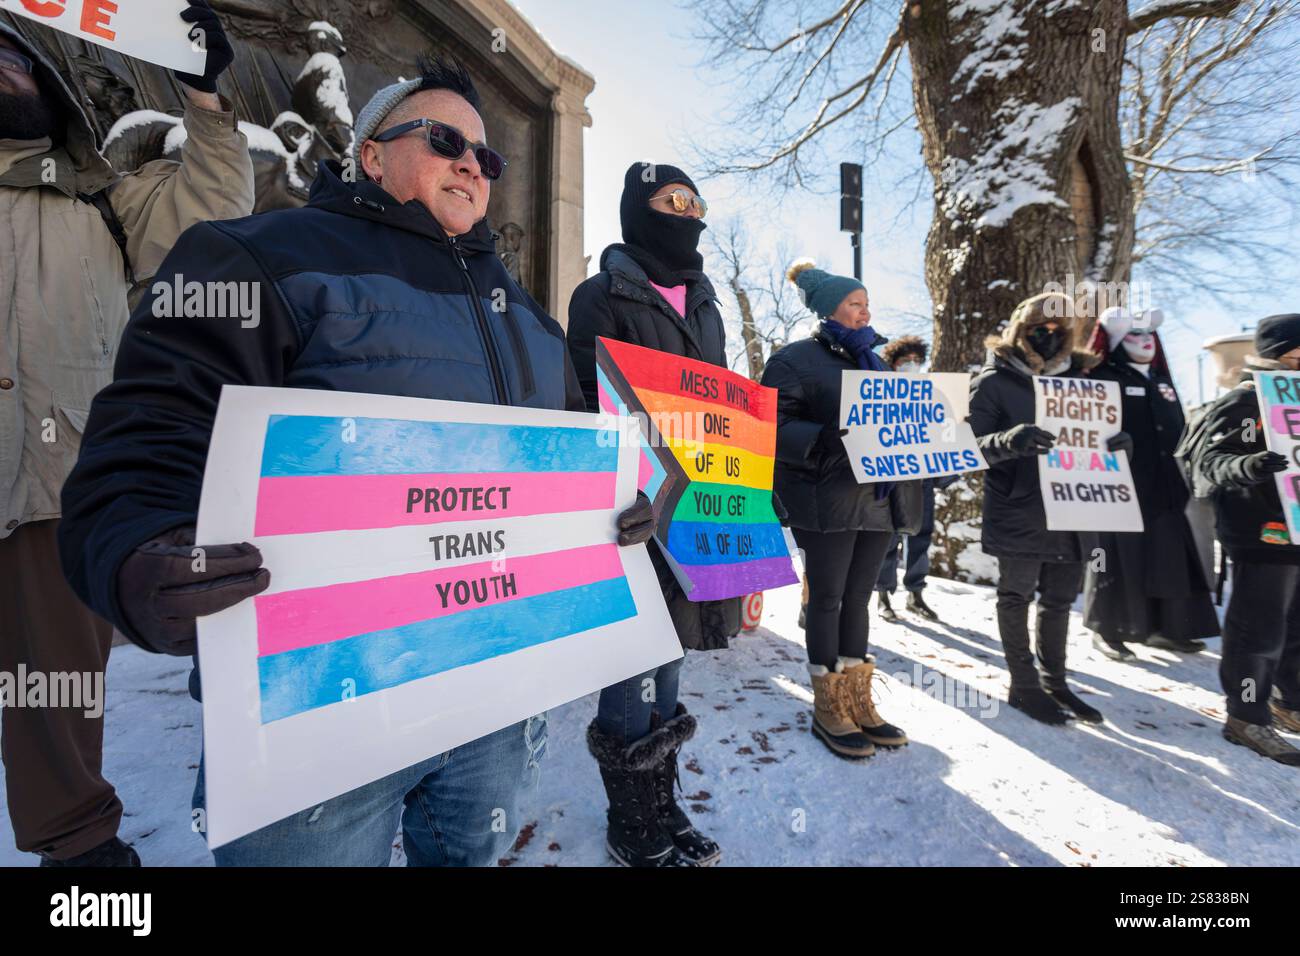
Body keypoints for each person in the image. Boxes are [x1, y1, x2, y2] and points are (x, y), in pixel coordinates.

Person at [58, 56, 657, 865]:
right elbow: (145, 442)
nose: (472, 164)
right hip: (316, 722)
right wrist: (137, 558)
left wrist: (615, 510)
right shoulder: (253, 260)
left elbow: (571, 462)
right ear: (371, 154)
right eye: (446, 139)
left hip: (497, 701)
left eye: (488, 155)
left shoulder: (532, 322)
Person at [0, 2, 254, 867]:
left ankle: (79, 855)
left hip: (52, 478)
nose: (3, 67)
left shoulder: (107, 202)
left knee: (51, 689)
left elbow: (215, 203)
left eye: (16, 55)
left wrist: (205, 99)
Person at [567, 162, 739, 867]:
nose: (688, 211)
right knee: (631, 669)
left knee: (669, 665)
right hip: (632, 516)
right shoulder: (600, 295)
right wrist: (616, 491)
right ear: (640, 210)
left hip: (693, 514)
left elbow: (722, 405)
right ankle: (630, 823)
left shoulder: (707, 304)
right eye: (673, 200)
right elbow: (580, 400)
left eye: (694, 201)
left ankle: (663, 806)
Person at [760, 261, 922, 759]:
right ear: (830, 307)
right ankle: (828, 705)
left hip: (879, 502)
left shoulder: (877, 365)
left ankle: (858, 700)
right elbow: (768, 424)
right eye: (855, 303)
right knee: (826, 599)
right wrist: (821, 439)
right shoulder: (795, 361)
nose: (864, 311)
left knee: (859, 599)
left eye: (866, 303)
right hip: (827, 498)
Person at [968, 292, 1132, 727]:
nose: (1048, 336)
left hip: (1076, 506)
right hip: (1020, 508)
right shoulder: (994, 381)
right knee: (1016, 596)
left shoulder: (1084, 382)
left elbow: (1100, 437)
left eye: (1058, 331)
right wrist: (1010, 440)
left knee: (1060, 601)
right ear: (1021, 331)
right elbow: (968, 448)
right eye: (1038, 329)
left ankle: (1055, 681)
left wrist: (1120, 445)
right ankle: (1023, 685)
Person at [1082, 307, 1220, 660]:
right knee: (1117, 555)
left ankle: (1169, 627)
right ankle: (1108, 628)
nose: (1144, 342)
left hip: (1168, 488)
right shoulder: (1106, 377)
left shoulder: (1161, 381)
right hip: (1120, 484)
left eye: (1148, 336)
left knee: (1168, 555)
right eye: (1133, 336)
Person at [1195, 314, 1300, 765]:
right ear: (1275, 354)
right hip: (1261, 532)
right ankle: (1246, 714)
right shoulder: (1245, 402)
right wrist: (1250, 465)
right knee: (1259, 630)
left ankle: (1289, 703)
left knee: (1296, 629)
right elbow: (1214, 460)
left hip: (1297, 532)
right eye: (1296, 355)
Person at [874, 335, 943, 624]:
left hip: (922, 479)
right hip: (891, 478)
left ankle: (916, 593)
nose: (912, 366)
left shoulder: (933, 394)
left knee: (921, 537)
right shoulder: (880, 393)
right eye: (905, 361)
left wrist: (944, 470)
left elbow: (945, 434)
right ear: (893, 363)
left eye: (917, 361)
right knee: (889, 539)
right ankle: (883, 594)